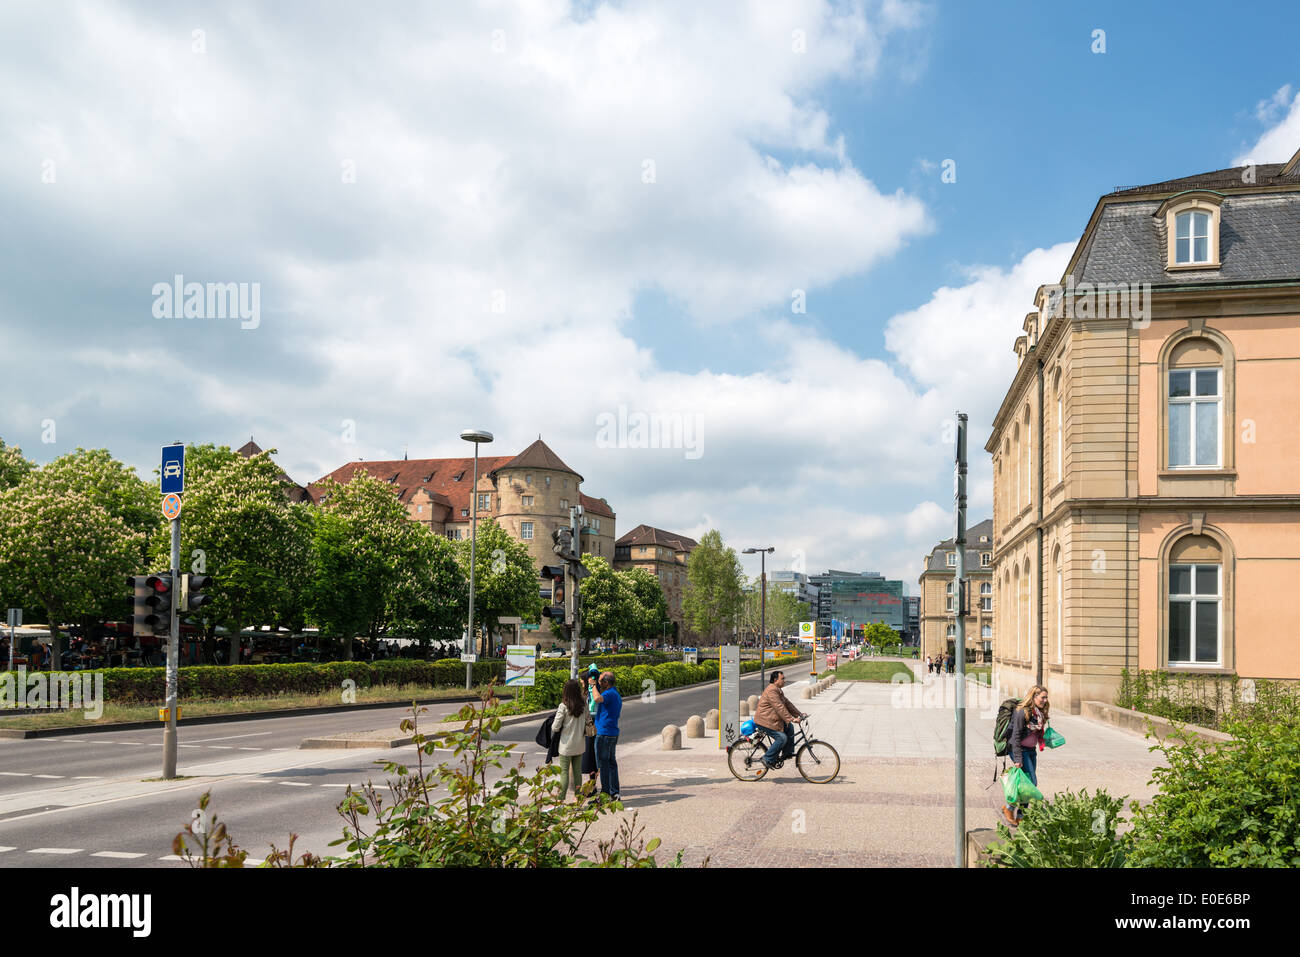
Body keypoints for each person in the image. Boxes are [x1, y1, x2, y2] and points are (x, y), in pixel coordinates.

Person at [1004, 684, 1050, 827]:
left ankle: (1020, 815)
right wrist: (1017, 759)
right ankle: (1011, 809)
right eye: (1043, 697)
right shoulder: (1021, 712)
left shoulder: (1039, 713)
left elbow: (1037, 731)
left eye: (1046, 697)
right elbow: (1016, 736)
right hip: (1020, 750)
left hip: (1031, 751)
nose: (1045, 700)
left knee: (1027, 784)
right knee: (1031, 784)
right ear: (1034, 697)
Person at [753, 670, 807, 773]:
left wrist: (799, 714)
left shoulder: (778, 690)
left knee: (789, 727)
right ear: (775, 680)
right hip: (764, 721)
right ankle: (767, 758)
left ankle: (787, 753)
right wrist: (791, 718)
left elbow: (787, 704)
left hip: (772, 720)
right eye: (782, 678)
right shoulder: (771, 691)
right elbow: (779, 707)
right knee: (782, 738)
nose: (785, 680)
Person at [551, 679, 588, 802]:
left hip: (566, 745)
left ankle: (561, 798)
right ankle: (578, 798)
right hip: (580, 744)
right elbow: (587, 721)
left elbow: (555, 727)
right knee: (578, 772)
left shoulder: (563, 706)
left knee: (564, 772)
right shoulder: (584, 705)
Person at [591, 670, 622, 800]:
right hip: (612, 732)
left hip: (604, 733)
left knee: (603, 765)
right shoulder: (615, 693)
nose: (599, 684)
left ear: (606, 682)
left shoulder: (609, 693)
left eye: (600, 682)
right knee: (611, 764)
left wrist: (592, 685)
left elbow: (597, 698)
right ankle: (614, 792)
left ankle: (605, 794)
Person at [580, 664, 600, 787]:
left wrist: (592, 684)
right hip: (590, 724)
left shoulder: (593, 693)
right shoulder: (589, 692)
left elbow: (593, 706)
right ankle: (591, 784)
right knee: (590, 757)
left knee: (591, 757)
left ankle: (592, 786)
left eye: (582, 682)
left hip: (592, 724)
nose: (582, 684)